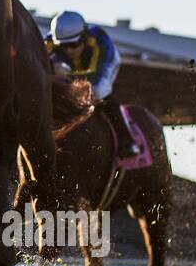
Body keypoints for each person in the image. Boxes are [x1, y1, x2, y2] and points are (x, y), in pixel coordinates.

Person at [46, 10, 140, 158]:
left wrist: (65, 76)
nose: (69, 50)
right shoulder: (48, 43)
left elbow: (95, 78)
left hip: (102, 68)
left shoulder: (99, 40)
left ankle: (127, 141)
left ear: (84, 37)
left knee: (100, 92)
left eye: (73, 44)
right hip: (72, 71)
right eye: (63, 46)